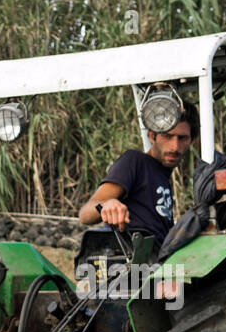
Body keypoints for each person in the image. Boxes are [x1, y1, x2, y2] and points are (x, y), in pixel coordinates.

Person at [78, 103, 198, 243]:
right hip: (133, 260)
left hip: (159, 259)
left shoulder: (163, 175)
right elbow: (85, 214)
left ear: (191, 140)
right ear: (152, 136)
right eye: (167, 136)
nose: (175, 147)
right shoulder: (135, 161)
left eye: (182, 138)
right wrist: (107, 204)